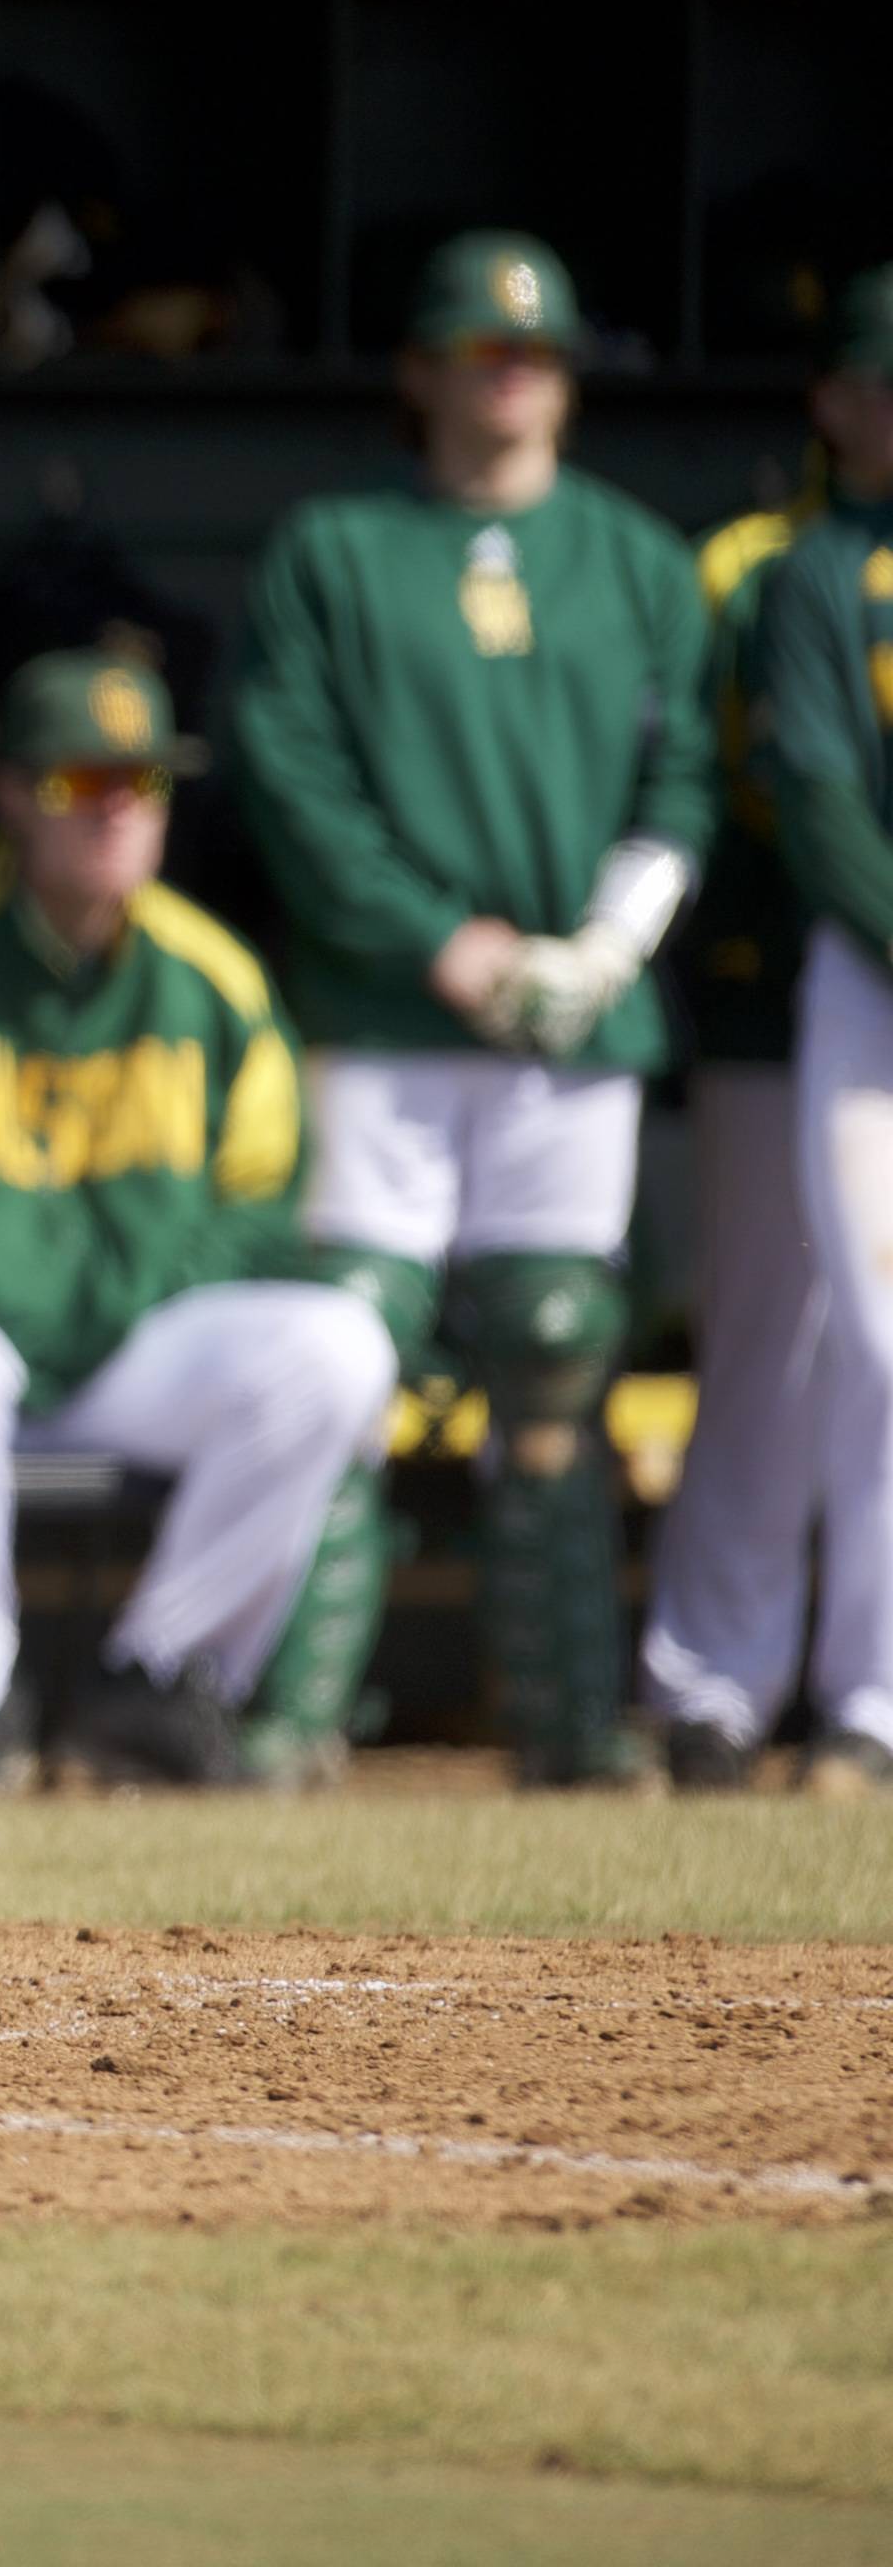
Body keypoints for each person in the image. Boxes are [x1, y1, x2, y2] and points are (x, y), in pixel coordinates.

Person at [231, 230, 707, 1792]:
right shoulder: (336, 549)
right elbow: (289, 776)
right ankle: (296, 1720)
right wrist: (443, 943)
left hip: (574, 1032)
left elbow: (684, 777)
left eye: (535, 355)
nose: (508, 380)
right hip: (388, 1018)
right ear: (419, 372)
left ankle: (572, 1729)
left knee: (557, 1348)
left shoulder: (636, 559)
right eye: (479, 353)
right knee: (344, 1348)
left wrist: (607, 945)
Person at [0, 653, 398, 1790]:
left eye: (139, 782)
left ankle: (152, 1679)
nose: (112, 809)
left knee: (334, 1347)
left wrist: (99, 1292)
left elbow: (257, 1215)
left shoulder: (208, 979)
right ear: (4, 793)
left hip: (109, 1344)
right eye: (74, 782)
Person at [648, 332, 851, 1793]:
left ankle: (877, 1700)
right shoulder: (751, 565)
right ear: (834, 397)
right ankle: (714, 1685)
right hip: (775, 988)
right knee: (765, 1348)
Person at [711, 275, 893, 1797]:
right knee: (873, 1331)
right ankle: (854, 1707)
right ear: (836, 403)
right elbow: (823, 807)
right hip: (870, 970)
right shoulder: (817, 574)